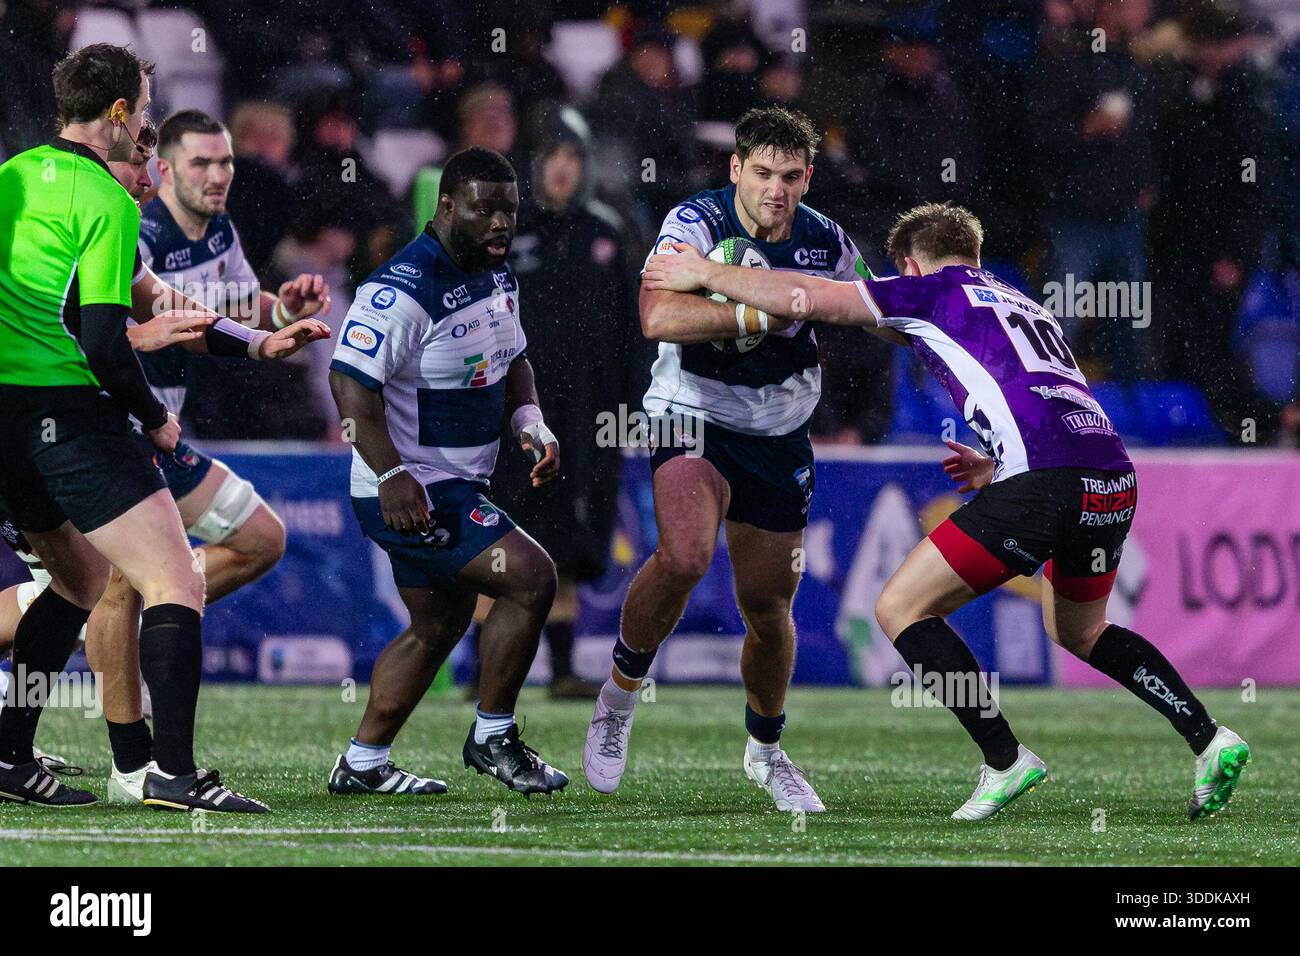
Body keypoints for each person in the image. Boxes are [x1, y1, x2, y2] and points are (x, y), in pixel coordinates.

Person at [644, 201, 1251, 822]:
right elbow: (1048, 395)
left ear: (910, 264)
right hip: (1110, 477)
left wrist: (707, 272)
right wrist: (999, 466)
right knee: (1080, 630)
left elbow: (807, 296)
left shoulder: (931, 291)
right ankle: (1209, 739)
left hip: (1045, 479)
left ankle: (1005, 759)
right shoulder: (1024, 302)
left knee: (899, 608)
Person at [0, 109, 330, 805]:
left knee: (95, 578)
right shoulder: (109, 209)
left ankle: (17, 751)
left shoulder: (52, 188)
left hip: (76, 418)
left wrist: (261, 338)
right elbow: (98, 331)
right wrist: (148, 384)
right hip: (81, 417)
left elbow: (182, 304)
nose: (152, 166)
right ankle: (144, 767)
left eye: (225, 163)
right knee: (143, 579)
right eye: (148, 143)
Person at [582, 107, 873, 813]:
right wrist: (755, 313)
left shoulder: (824, 239)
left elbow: (874, 309)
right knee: (684, 556)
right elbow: (657, 317)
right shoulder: (693, 222)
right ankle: (618, 697)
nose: (775, 188)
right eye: (763, 172)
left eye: (790, 176)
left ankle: (767, 753)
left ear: (806, 179)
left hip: (780, 427)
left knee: (768, 605)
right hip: (694, 408)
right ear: (736, 168)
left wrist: (946, 315)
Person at [327, 146, 569, 797]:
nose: (499, 222)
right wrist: (389, 474)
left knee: (437, 626)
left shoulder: (497, 274)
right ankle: (493, 738)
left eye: (509, 210)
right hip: (412, 489)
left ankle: (362, 763)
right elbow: (349, 385)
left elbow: (514, 360)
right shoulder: (402, 285)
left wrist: (531, 425)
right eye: (483, 208)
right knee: (531, 578)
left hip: (453, 481)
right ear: (445, 206)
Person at [489, 107, 639, 699]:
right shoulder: (508, 231)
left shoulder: (606, 231)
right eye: (553, 157)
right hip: (515, 408)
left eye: (573, 158)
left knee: (574, 533)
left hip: (590, 412)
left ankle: (562, 667)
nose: (562, 169)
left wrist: (633, 404)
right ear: (535, 165)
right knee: (502, 525)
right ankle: (484, 662)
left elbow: (633, 329)